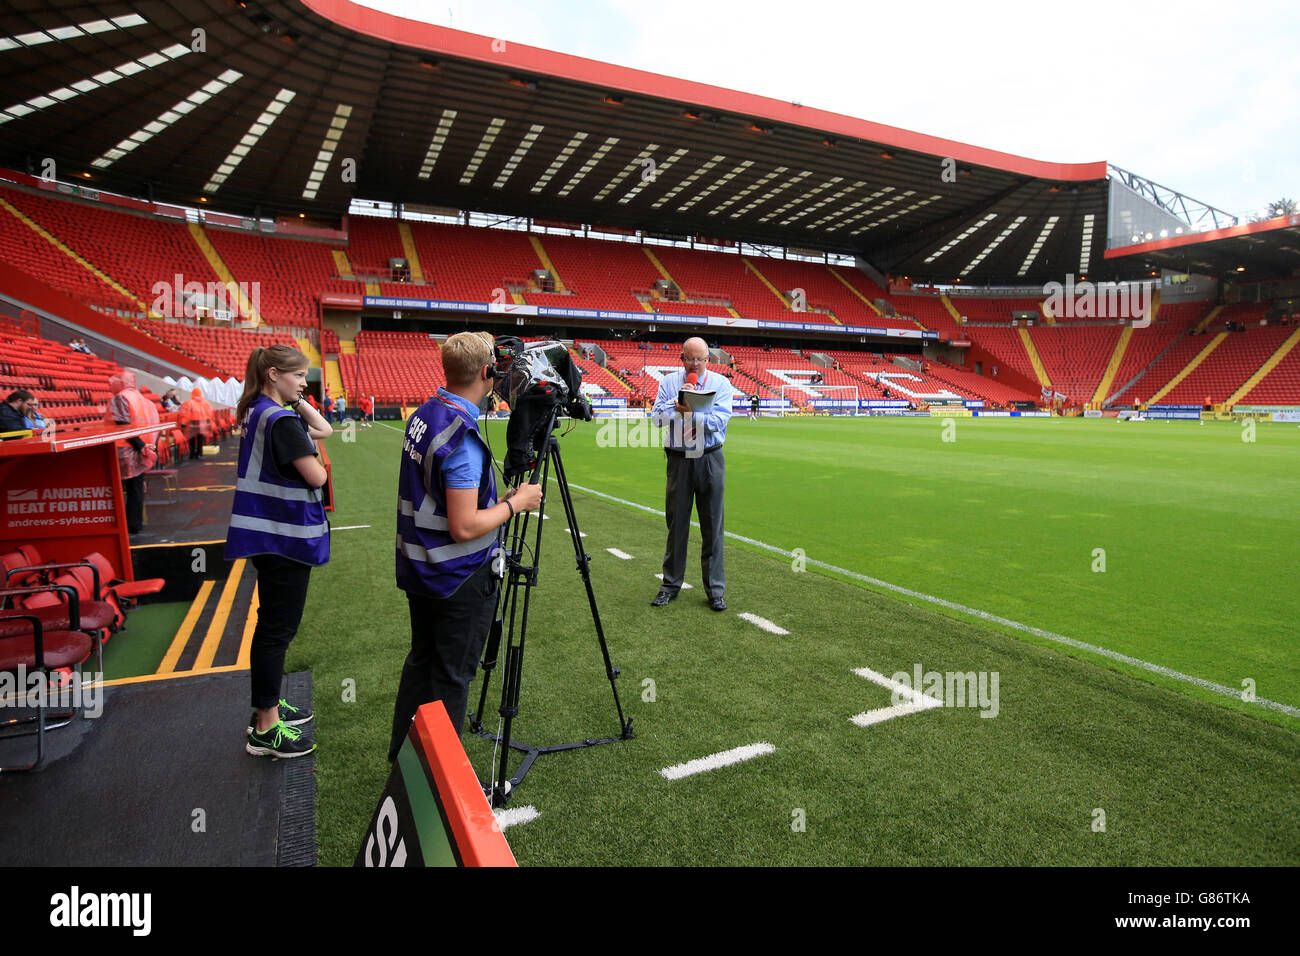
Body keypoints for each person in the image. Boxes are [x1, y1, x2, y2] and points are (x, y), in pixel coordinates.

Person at [388, 332, 543, 760]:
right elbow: (464, 525)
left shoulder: (426, 412)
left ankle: (405, 760)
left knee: (422, 664)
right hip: (454, 576)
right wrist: (516, 503)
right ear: (485, 372)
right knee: (450, 679)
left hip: (420, 568)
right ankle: (439, 787)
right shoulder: (460, 435)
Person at [226, 345, 333, 759]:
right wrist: (297, 409)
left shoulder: (258, 408)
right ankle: (266, 726)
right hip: (282, 537)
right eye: (299, 376)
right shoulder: (281, 422)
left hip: (266, 534)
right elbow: (318, 476)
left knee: (270, 625)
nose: (305, 382)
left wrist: (298, 400)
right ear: (274, 374)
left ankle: (267, 705)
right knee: (276, 630)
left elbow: (321, 428)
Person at [650, 337, 734, 611]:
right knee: (677, 526)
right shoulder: (669, 383)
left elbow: (719, 422)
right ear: (681, 358)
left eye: (700, 359)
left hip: (710, 458)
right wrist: (678, 406)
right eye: (690, 358)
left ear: (708, 360)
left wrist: (691, 415)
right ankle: (670, 584)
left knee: (713, 526)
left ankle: (715, 590)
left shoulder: (720, 384)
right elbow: (656, 419)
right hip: (679, 459)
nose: (695, 364)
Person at [104, 372, 159, 533]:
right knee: (136, 487)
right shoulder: (142, 399)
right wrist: (146, 446)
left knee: (126, 488)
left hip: (126, 448)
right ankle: (134, 523)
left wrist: (140, 445)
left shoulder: (121, 398)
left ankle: (128, 524)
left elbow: (122, 425)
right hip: (140, 446)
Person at [178, 387, 213, 459]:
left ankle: (192, 454)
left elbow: (185, 413)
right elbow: (210, 412)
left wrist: (183, 422)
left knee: (192, 439)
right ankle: (199, 453)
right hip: (203, 423)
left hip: (192, 423)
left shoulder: (189, 402)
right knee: (200, 439)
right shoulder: (205, 402)